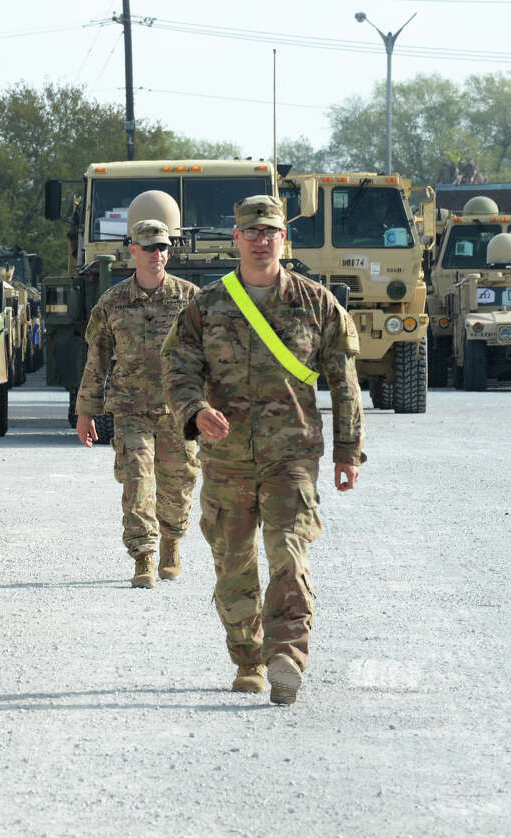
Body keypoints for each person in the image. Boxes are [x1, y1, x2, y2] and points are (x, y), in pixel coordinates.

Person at [160, 194, 364, 705]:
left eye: (269, 230)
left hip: (290, 455)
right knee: (233, 565)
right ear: (236, 238)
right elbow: (177, 370)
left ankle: (287, 657)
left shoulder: (316, 304)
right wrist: (194, 411)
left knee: (289, 555)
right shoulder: (205, 307)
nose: (259, 239)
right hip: (226, 458)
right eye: (250, 231)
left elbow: (344, 382)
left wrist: (347, 451)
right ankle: (248, 657)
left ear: (282, 237)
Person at [75, 215, 200, 589]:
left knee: (178, 484)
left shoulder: (191, 298)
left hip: (177, 410)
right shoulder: (112, 302)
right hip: (130, 408)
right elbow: (96, 359)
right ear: (133, 251)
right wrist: (86, 411)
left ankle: (171, 544)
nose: (157, 254)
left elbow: (210, 354)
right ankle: (144, 557)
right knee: (137, 479)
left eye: (163, 247)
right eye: (149, 248)